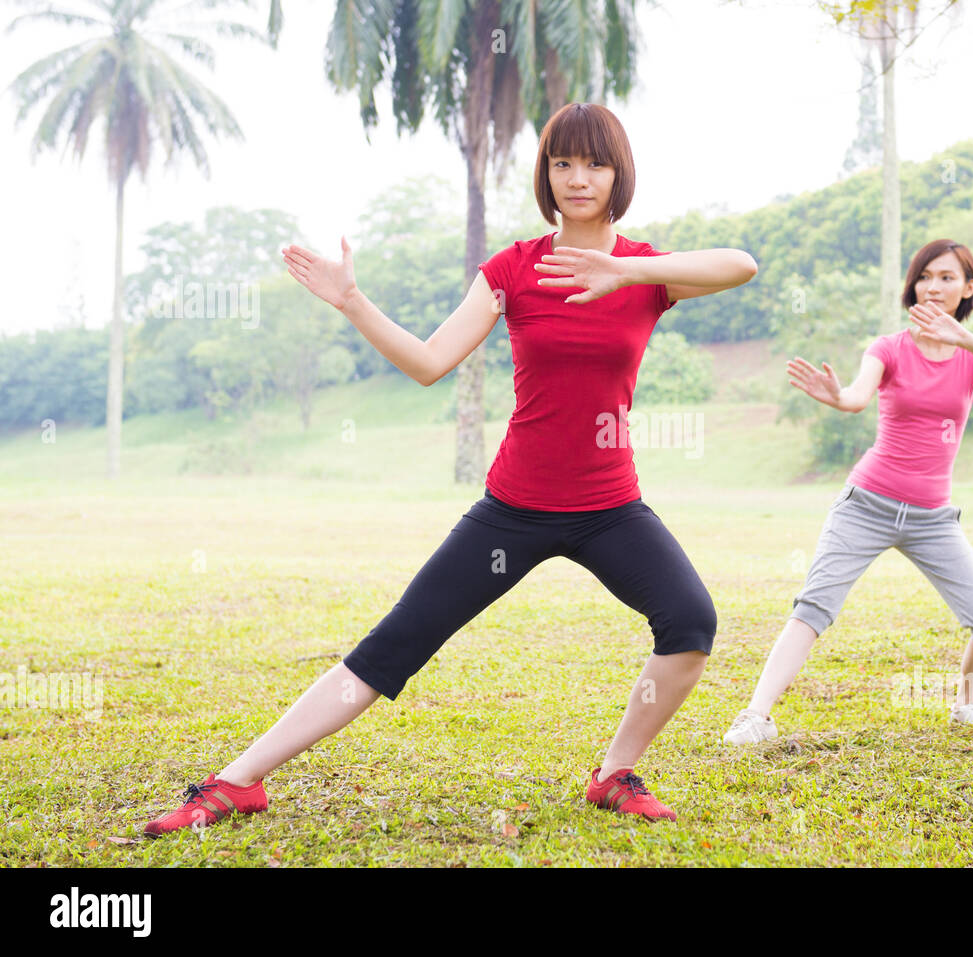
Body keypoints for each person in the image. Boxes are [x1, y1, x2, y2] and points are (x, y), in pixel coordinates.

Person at [141, 103, 757, 835]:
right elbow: (431, 362)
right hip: (514, 508)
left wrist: (625, 268)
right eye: (562, 162)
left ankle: (613, 773)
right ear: (546, 174)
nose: (577, 177)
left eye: (594, 162)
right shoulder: (513, 270)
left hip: (609, 507)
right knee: (394, 645)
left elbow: (741, 265)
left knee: (689, 621)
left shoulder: (649, 273)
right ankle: (235, 782)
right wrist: (352, 301)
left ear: (618, 171)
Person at [723, 239, 973, 745]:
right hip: (867, 504)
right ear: (914, 284)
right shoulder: (889, 347)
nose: (934, 286)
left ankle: (968, 703)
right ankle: (757, 715)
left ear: (968, 288)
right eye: (926, 275)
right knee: (813, 607)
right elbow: (857, 396)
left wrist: (965, 340)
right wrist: (837, 397)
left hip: (933, 518)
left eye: (947, 277)